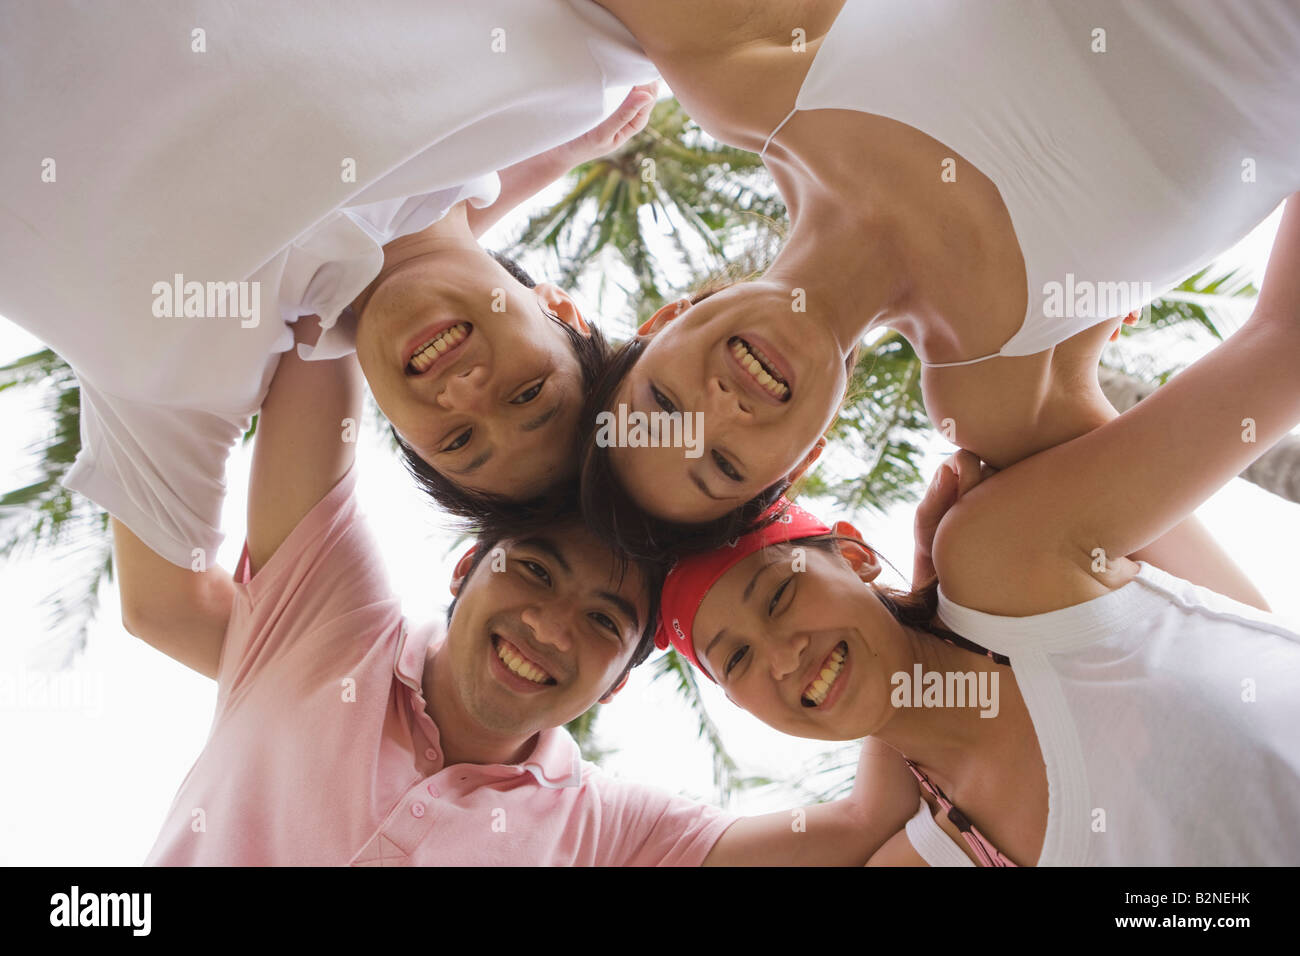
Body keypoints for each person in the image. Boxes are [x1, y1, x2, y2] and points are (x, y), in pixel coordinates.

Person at [120, 314, 919, 865]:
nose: (550, 624)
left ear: (618, 686)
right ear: (467, 571)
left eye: (607, 622)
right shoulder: (328, 629)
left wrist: (933, 598)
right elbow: (325, 326)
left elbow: (858, 827)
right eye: (535, 570)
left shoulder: (608, 831)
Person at [648, 197, 1300, 865]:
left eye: (779, 597)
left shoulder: (1001, 562)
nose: (783, 658)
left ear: (854, 555)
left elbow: (1283, 342)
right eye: (736, 662)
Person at [578, 0, 1300, 569]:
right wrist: (932, 607)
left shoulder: (748, 71)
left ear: (661, 322)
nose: (721, 409)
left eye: (665, 402)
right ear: (803, 465)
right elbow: (1285, 348)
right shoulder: (1003, 391)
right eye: (724, 464)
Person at [0, 1, 657, 571]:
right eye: (527, 392)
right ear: (560, 308)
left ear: (399, 431)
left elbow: (168, 615)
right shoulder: (561, 76)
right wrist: (552, 150)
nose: (463, 393)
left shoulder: (189, 377)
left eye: (457, 441)